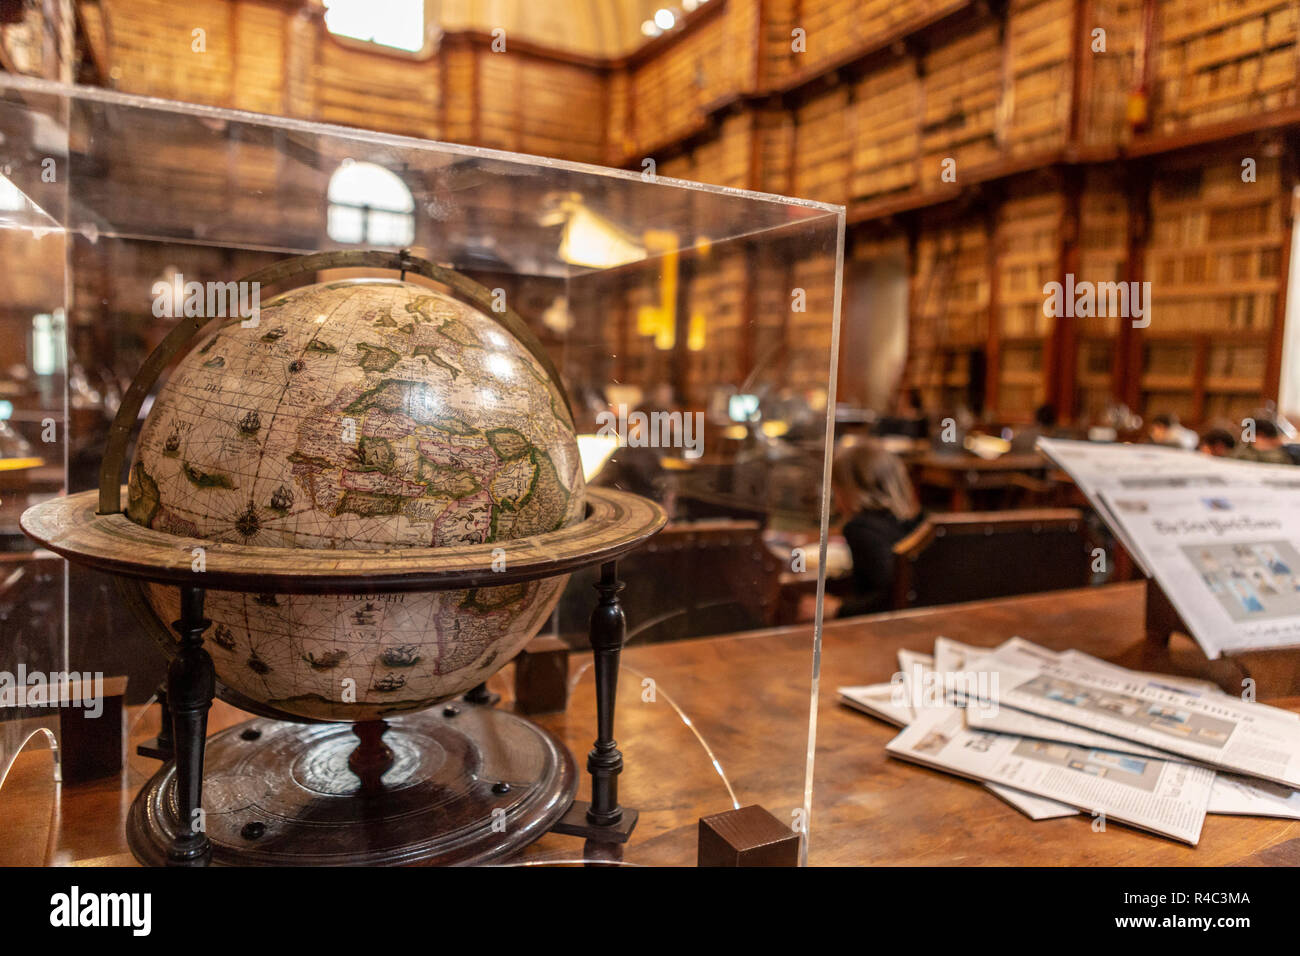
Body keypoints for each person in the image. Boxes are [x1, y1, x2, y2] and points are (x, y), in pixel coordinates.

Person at [831, 442, 923, 617]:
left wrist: (838, 609)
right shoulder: (915, 520)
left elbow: (889, 598)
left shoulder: (860, 529)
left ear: (848, 489)